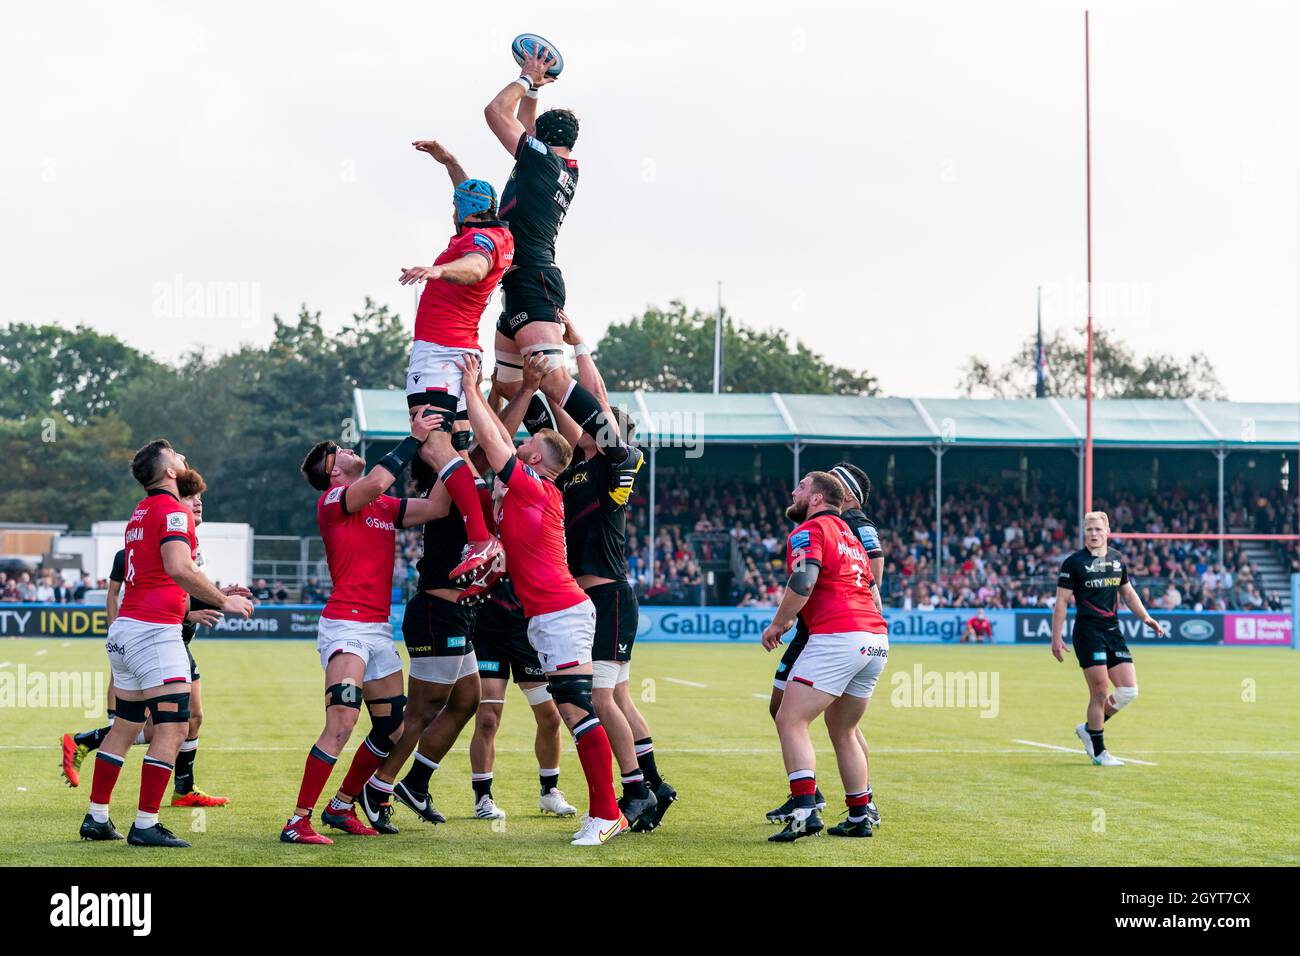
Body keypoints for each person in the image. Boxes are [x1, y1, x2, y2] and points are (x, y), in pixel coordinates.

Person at [457, 352, 626, 846]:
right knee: (573, 707)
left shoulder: (536, 488)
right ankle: (606, 808)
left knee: (576, 706)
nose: (519, 442)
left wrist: (472, 388)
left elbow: (492, 442)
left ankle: (606, 812)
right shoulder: (523, 491)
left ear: (534, 461)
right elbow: (494, 447)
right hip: (546, 615)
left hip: (561, 611)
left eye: (526, 442)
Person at [280, 409, 446, 845]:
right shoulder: (335, 501)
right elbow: (375, 480)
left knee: (394, 728)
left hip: (376, 629)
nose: (351, 450)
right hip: (345, 629)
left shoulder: (382, 505)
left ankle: (342, 804)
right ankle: (298, 821)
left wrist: (455, 454)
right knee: (342, 722)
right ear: (334, 470)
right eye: (343, 451)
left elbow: (439, 506)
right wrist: (413, 440)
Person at [78, 440, 253, 848]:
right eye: (178, 457)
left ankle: (97, 817)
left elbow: (162, 574)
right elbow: (178, 567)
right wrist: (224, 600)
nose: (184, 460)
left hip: (127, 632)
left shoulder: (141, 512)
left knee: (124, 727)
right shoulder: (174, 511)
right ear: (170, 472)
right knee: (173, 728)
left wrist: (213, 591)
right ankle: (145, 824)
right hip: (155, 633)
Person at [483, 45, 643, 480]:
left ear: (540, 141)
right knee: (510, 385)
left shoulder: (539, 162)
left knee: (553, 382)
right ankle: (559, 458)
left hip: (535, 280)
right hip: (521, 284)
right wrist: (535, 90)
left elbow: (496, 112)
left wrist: (526, 78)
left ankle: (617, 451)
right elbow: (525, 126)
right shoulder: (560, 164)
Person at [553, 315, 674, 830]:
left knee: (601, 697)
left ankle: (635, 792)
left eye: (595, 426)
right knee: (619, 695)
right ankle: (655, 783)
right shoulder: (578, 464)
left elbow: (591, 398)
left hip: (609, 596)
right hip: (601, 596)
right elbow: (568, 412)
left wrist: (578, 345)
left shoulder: (613, 461)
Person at [398, 137, 514, 591]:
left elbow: (475, 266)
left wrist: (439, 271)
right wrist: (449, 162)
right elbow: (470, 196)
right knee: (461, 453)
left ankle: (482, 538)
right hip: (456, 350)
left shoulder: (481, 242)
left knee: (432, 446)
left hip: (440, 352)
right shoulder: (487, 226)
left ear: (459, 212)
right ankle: (487, 544)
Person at [761, 472, 889, 843]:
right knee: (843, 729)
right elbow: (872, 590)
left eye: (799, 486)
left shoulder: (810, 531)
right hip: (875, 638)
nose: (792, 490)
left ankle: (804, 810)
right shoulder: (851, 537)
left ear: (816, 498)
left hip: (838, 635)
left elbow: (803, 582)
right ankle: (859, 814)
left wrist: (778, 624)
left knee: (790, 718)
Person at [1051, 511, 1162, 767]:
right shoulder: (1073, 563)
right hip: (1088, 632)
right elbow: (1061, 602)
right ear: (1084, 532)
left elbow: (1128, 593)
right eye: (1089, 529)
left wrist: (1146, 618)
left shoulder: (1116, 559)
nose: (1093, 534)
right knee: (1100, 692)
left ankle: (1089, 728)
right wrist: (1056, 638)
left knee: (1128, 691)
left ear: (1107, 531)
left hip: (1112, 631)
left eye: (1098, 529)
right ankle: (1099, 752)